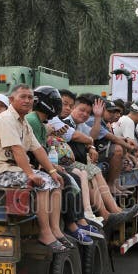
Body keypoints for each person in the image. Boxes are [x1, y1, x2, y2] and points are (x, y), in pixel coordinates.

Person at [0, 84, 67, 252]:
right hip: (0, 171)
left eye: (30, 97)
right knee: (42, 183)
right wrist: (30, 174)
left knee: (56, 182)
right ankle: (45, 233)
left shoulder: (23, 122)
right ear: (11, 100)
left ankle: (56, 231)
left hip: (15, 170)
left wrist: (52, 171)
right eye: (23, 97)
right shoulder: (6, 119)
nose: (28, 100)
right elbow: (17, 150)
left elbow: (37, 149)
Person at [26, 86, 100, 245]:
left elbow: (40, 149)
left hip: (41, 165)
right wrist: (51, 169)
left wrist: (51, 167)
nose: (63, 107)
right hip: (32, 167)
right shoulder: (34, 120)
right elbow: (35, 150)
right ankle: (69, 226)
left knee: (69, 178)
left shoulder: (39, 121)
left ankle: (78, 222)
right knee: (64, 180)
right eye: (61, 103)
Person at [65, 95, 138, 224]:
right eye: (81, 110)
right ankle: (107, 213)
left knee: (94, 170)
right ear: (73, 108)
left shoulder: (79, 124)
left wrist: (97, 119)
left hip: (77, 162)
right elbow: (81, 138)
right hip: (66, 163)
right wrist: (90, 145)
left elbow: (92, 136)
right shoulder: (65, 122)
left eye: (88, 112)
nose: (84, 114)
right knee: (92, 171)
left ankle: (115, 211)